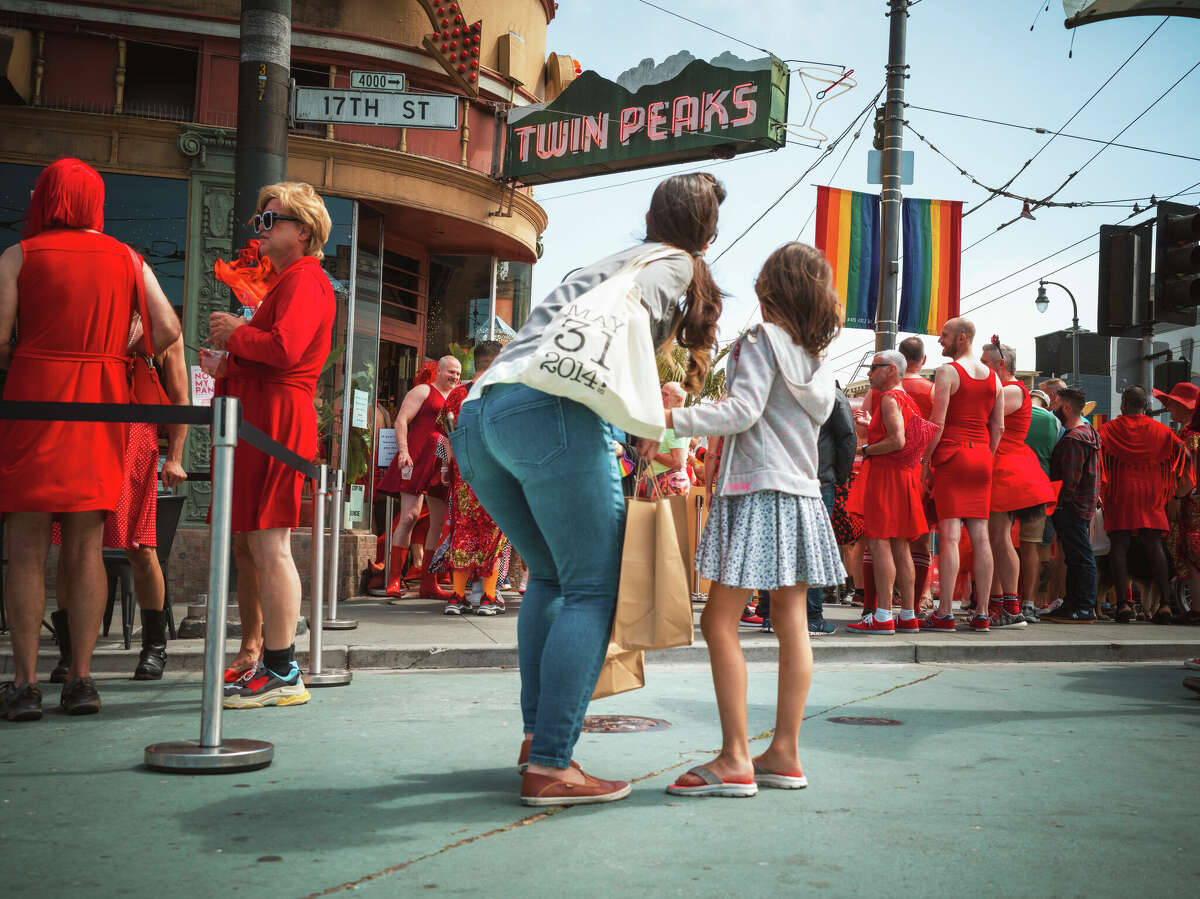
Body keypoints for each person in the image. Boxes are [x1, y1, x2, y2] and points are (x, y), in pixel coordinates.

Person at [450, 172, 727, 807]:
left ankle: (537, 741)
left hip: (481, 414)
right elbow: (615, 327)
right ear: (707, 231)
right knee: (592, 589)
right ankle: (550, 765)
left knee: (547, 576)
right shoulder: (677, 266)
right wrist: (645, 424)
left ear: (653, 215)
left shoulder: (613, 257)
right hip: (554, 414)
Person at [0, 159, 180, 721]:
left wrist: (29, 354)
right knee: (85, 544)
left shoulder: (19, 255)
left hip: (33, 396)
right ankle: (81, 680)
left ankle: (24, 684)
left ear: (47, 198)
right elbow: (169, 331)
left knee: (26, 547)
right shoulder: (127, 257)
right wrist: (116, 345)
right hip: (100, 403)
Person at [663, 241, 845, 798]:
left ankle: (735, 757)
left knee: (719, 621)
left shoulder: (761, 341)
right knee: (792, 622)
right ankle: (784, 752)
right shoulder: (819, 362)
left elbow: (740, 411)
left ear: (771, 292)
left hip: (757, 492)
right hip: (802, 496)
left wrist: (669, 420)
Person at [200, 180, 335, 708]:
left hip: (278, 418)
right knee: (261, 542)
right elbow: (280, 353)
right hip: (268, 414)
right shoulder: (294, 281)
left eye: (270, 220)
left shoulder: (305, 281)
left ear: (302, 231)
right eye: (261, 220)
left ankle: (281, 668)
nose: (261, 228)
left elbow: (286, 349)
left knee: (271, 543)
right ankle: (277, 665)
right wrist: (231, 359)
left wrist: (235, 333)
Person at [50, 335, 190, 682]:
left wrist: (174, 456)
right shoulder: (94, 318)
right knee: (71, 550)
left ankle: (154, 648)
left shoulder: (159, 327)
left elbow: (180, 398)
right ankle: (68, 653)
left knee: (141, 549)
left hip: (135, 441)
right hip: (85, 432)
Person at [921, 317, 1004, 632]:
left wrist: (926, 460)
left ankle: (945, 612)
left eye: (944, 336)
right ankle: (982, 612)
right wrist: (986, 453)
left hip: (953, 456)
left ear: (962, 338)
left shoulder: (948, 372)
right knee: (981, 536)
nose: (940, 341)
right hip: (982, 456)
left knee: (950, 536)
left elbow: (937, 423)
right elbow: (998, 426)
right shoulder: (994, 379)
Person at [845, 351, 929, 634]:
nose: (869, 374)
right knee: (900, 546)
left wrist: (865, 448)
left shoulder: (890, 398)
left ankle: (882, 615)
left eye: (874, 368)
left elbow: (897, 440)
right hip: (903, 478)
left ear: (891, 369)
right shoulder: (906, 399)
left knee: (879, 544)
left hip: (886, 478)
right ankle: (907, 614)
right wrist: (873, 429)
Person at [981, 338, 1056, 629]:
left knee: (1000, 539)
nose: (981, 367)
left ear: (1001, 365)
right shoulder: (1009, 389)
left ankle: (1010, 607)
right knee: (997, 539)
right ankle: (1002, 605)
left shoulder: (1010, 390)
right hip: (1006, 466)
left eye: (985, 363)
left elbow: (987, 420)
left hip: (1007, 468)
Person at [1100, 386, 1188, 624]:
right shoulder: (1164, 431)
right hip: (1152, 493)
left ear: (1123, 403)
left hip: (1120, 491)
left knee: (1119, 544)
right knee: (1153, 543)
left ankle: (1123, 605)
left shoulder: (1108, 430)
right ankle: (1166, 606)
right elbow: (1186, 456)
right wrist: (1178, 489)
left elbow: (1098, 457)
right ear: (1146, 406)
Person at [376, 354, 462, 599]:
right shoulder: (423, 391)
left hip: (442, 462)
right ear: (440, 370)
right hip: (416, 458)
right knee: (409, 516)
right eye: (451, 372)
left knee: (437, 522)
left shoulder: (456, 398)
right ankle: (393, 580)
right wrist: (403, 451)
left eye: (458, 373)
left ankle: (428, 583)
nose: (455, 377)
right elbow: (402, 420)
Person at [438, 340, 509, 616]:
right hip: (495, 477)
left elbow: (446, 438)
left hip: (465, 477)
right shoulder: (502, 395)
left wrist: (447, 468)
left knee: (463, 533)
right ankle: (489, 598)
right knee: (493, 534)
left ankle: (457, 597)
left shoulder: (456, 396)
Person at [1041, 387, 1101, 623]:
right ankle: (1074, 604)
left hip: (1072, 507)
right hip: (1083, 505)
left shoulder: (1074, 439)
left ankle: (1082, 607)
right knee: (1077, 556)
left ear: (1066, 408)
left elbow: (1070, 480)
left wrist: (1060, 505)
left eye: (1056, 405)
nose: (1054, 410)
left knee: (1079, 556)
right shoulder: (1090, 433)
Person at [1155, 382, 1200, 625]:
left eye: (1174, 405)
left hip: (1189, 502)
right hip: (1187, 499)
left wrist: (1179, 495)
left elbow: (1192, 471)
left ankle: (1196, 609)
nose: (1171, 409)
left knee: (1192, 553)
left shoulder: (1191, 436)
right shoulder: (1188, 434)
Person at [1024, 388, 1060, 617]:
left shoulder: (1017, 414)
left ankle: (1007, 600)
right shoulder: (1054, 421)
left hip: (1014, 483)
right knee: (1040, 547)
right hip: (1042, 487)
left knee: (1007, 545)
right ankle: (1036, 601)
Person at [641, 381, 692, 496]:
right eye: (661, 393)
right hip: (665, 481)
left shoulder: (675, 423)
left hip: (670, 483)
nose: (661, 398)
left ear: (679, 400)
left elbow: (677, 462)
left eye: (666, 395)